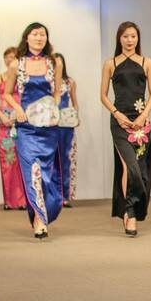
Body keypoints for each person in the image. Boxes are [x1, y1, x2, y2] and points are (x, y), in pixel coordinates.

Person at [3, 23, 64, 239]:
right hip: (26, 127)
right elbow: (8, 94)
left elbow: (57, 92)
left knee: (47, 175)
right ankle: (39, 220)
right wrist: (18, 109)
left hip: (48, 127)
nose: (39, 38)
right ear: (26, 38)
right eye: (35, 34)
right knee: (32, 173)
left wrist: (53, 106)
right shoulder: (16, 65)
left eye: (43, 34)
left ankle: (45, 212)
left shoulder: (53, 63)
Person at [99, 22, 151, 236]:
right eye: (125, 36)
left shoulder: (146, 62)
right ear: (119, 39)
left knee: (140, 171)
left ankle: (132, 209)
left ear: (137, 38)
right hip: (120, 123)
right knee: (129, 167)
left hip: (141, 124)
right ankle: (129, 213)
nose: (130, 40)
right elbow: (103, 95)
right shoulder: (110, 63)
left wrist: (143, 116)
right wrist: (117, 114)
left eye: (133, 36)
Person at [0, 47, 27, 211]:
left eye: (14, 57)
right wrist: (2, 117)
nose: (10, 59)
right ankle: (10, 200)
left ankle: (24, 200)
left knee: (23, 161)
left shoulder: (25, 77)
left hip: (21, 121)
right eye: (7, 57)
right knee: (8, 162)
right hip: (5, 123)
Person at [53, 53, 80, 207]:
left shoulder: (70, 82)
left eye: (59, 62)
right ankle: (53, 195)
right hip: (51, 123)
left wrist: (76, 116)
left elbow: (75, 102)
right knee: (51, 160)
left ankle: (65, 195)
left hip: (66, 124)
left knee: (66, 158)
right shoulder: (48, 82)